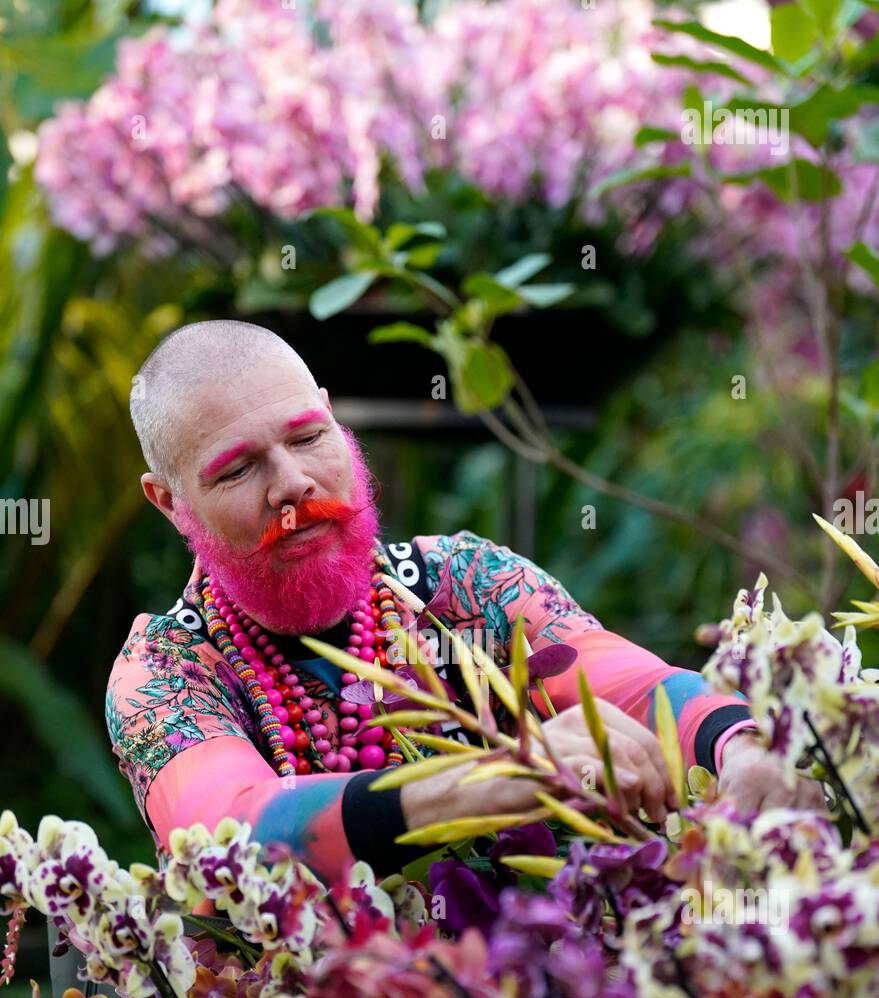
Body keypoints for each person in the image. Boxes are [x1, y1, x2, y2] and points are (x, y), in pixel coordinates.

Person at [105, 319, 824, 886]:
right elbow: (235, 837)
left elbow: (628, 684)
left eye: (307, 436)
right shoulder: (166, 671)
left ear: (334, 420)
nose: (291, 483)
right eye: (237, 468)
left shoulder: (463, 582)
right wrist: (487, 783)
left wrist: (742, 746)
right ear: (169, 502)